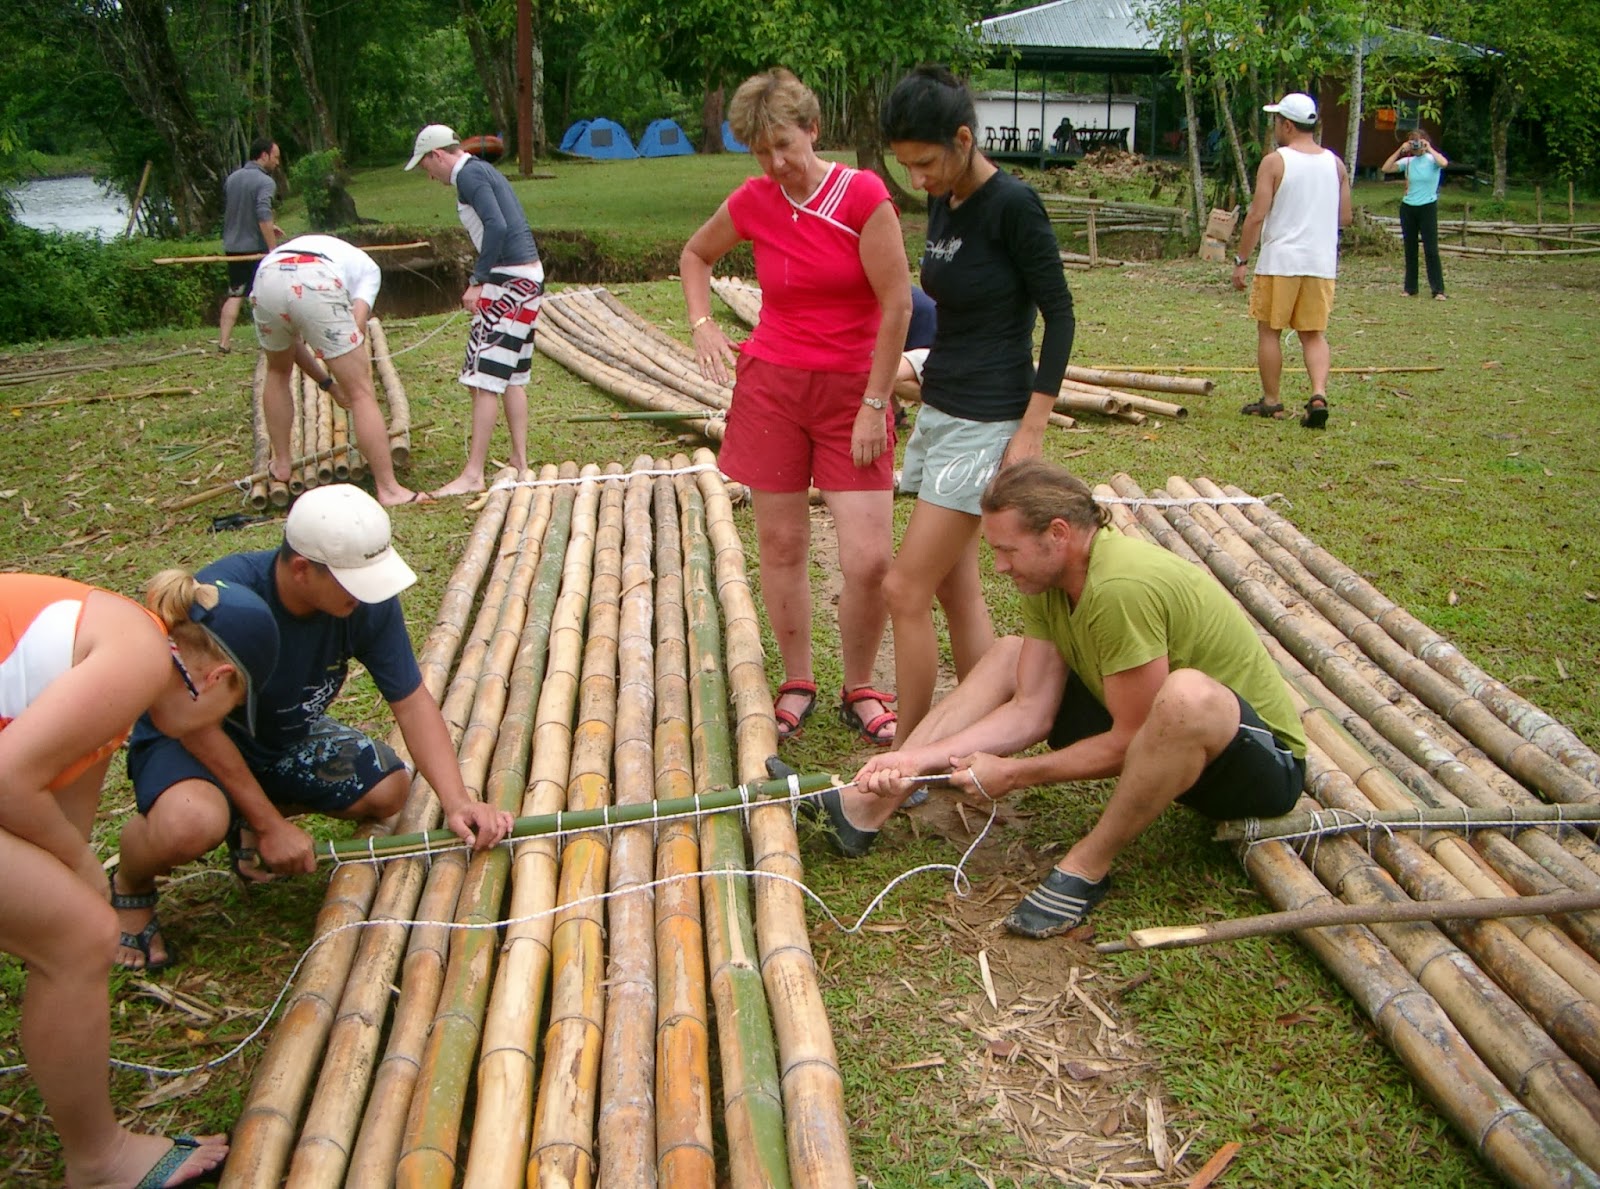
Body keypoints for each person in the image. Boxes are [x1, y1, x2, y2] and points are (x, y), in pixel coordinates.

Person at [814, 461, 1306, 938]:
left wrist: (1014, 773)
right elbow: (1032, 707)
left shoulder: (1119, 588)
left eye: (1008, 550)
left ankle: (1089, 864)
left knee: (1185, 697)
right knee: (1010, 654)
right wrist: (912, 758)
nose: (1000, 566)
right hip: (1165, 748)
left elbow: (1131, 740)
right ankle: (865, 809)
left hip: (1254, 769)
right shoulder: (1052, 579)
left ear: (1058, 533)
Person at [112, 484, 514, 972]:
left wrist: (458, 801)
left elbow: (410, 702)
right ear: (302, 569)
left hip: (280, 739)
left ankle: (239, 821)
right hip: (195, 744)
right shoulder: (226, 600)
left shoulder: (364, 602)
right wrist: (271, 824)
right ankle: (131, 884)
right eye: (353, 581)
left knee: (388, 788)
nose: (366, 594)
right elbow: (192, 722)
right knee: (190, 824)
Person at [1, 569, 280, 1187]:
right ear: (219, 680)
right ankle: (100, 1163)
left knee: (71, 928)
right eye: (231, 712)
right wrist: (80, 880)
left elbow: (53, 822)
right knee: (79, 938)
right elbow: (8, 782)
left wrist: (72, 884)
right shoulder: (138, 658)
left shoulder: (120, 666)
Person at [679, 69, 912, 747]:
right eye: (760, 151)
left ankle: (862, 683)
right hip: (772, 387)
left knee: (867, 557)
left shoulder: (862, 195)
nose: (776, 163)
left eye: (784, 143)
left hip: (853, 393)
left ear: (812, 129)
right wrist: (702, 323)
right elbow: (696, 254)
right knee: (780, 543)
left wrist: (876, 403)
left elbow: (897, 304)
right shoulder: (753, 200)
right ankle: (798, 677)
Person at [878, 65, 1075, 746]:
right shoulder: (945, 199)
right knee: (952, 590)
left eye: (926, 162)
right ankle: (975, 737)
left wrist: (1031, 428)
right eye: (906, 167)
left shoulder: (1013, 205)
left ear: (963, 139)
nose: (917, 179)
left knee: (902, 588)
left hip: (987, 420)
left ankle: (910, 755)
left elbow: (1061, 315)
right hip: (941, 410)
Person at [405, 123, 543, 497]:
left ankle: (473, 473)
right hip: (527, 276)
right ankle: (519, 460)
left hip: (509, 280)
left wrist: (479, 280)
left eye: (425, 166)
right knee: (512, 374)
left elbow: (496, 226)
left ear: (437, 155)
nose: (428, 175)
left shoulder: (468, 175)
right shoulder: (480, 172)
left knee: (483, 377)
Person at [250, 234, 425, 506]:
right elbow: (357, 327)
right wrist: (341, 380)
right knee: (361, 392)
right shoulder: (369, 271)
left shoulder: (316, 249)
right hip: (314, 278)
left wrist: (327, 384)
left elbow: (293, 344)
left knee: (277, 372)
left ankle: (282, 464)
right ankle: (389, 490)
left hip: (266, 277)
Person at [1233, 91, 1353, 429]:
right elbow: (1344, 217)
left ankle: (1272, 401)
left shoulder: (1276, 161)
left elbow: (1256, 215)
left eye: (1276, 121)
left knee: (1269, 331)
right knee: (1313, 334)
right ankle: (1318, 394)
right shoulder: (1335, 164)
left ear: (1287, 124)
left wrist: (1241, 258)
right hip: (1320, 264)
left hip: (1280, 261)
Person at [219, 138, 284, 354]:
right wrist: (273, 250)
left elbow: (239, 212)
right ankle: (275, 340)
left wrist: (269, 226)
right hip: (255, 250)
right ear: (263, 155)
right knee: (267, 294)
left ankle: (224, 342)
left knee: (235, 294)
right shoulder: (265, 182)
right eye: (275, 157)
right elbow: (262, 214)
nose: (277, 163)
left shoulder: (232, 179)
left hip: (232, 247)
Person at [1381, 130, 1448, 299]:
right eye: (1413, 143)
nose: (1416, 146)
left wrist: (1429, 148)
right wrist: (1400, 150)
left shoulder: (1432, 160)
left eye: (1418, 142)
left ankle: (1438, 289)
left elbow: (1444, 163)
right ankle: (1410, 288)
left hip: (1427, 207)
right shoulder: (1408, 161)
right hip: (1408, 207)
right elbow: (1386, 168)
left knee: (1431, 249)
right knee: (1410, 249)